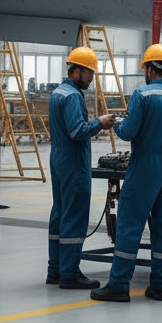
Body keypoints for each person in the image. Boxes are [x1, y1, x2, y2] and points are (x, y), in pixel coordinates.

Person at [91, 44, 162, 303]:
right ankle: (160, 286)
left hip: (146, 163)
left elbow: (129, 132)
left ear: (148, 68)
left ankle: (119, 284)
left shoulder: (142, 95)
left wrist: (117, 124)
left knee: (130, 221)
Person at [47, 46, 115, 289]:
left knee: (60, 213)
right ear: (76, 70)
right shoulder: (74, 96)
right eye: (88, 73)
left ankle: (55, 270)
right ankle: (70, 273)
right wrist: (100, 123)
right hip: (73, 161)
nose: (91, 78)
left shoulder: (58, 93)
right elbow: (77, 131)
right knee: (74, 216)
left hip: (58, 157)